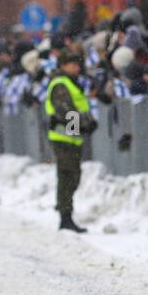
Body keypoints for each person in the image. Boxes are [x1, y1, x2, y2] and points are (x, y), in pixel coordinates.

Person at [46, 49, 97, 232]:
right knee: (68, 176)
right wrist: (84, 125)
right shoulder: (61, 84)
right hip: (63, 138)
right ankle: (65, 216)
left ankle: (65, 213)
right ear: (63, 65)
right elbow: (66, 112)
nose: (76, 68)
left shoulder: (70, 83)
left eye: (77, 65)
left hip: (70, 138)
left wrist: (87, 123)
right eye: (72, 64)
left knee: (71, 176)